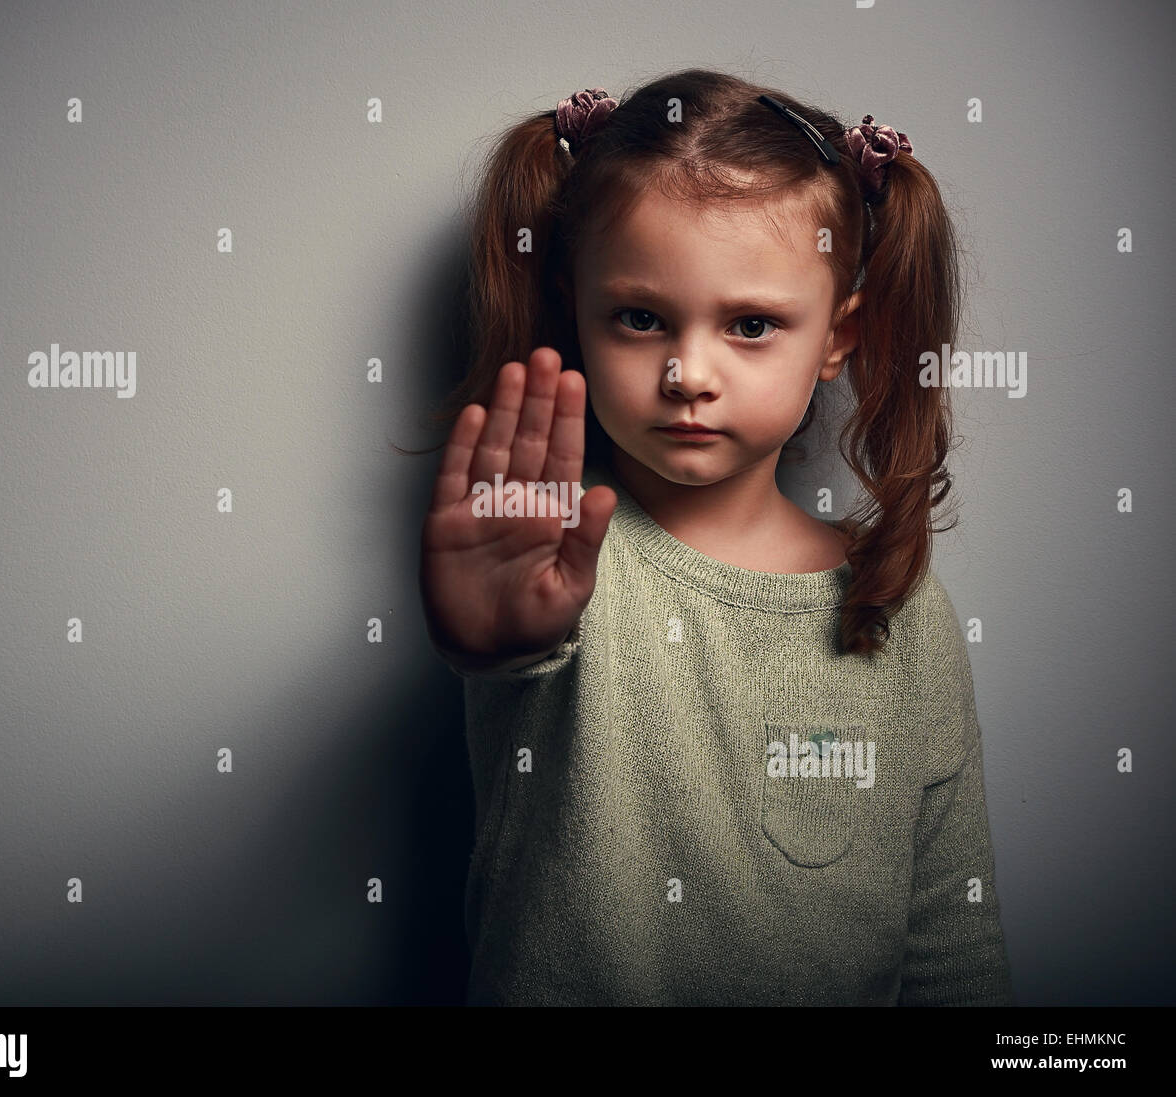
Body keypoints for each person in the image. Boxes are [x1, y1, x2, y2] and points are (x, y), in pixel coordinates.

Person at [417, 68, 1014, 1006]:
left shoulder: (900, 612)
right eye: (642, 318)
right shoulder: (550, 557)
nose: (688, 372)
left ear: (838, 337)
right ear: (577, 308)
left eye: (750, 324)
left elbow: (953, 943)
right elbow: (518, 646)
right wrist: (486, 641)